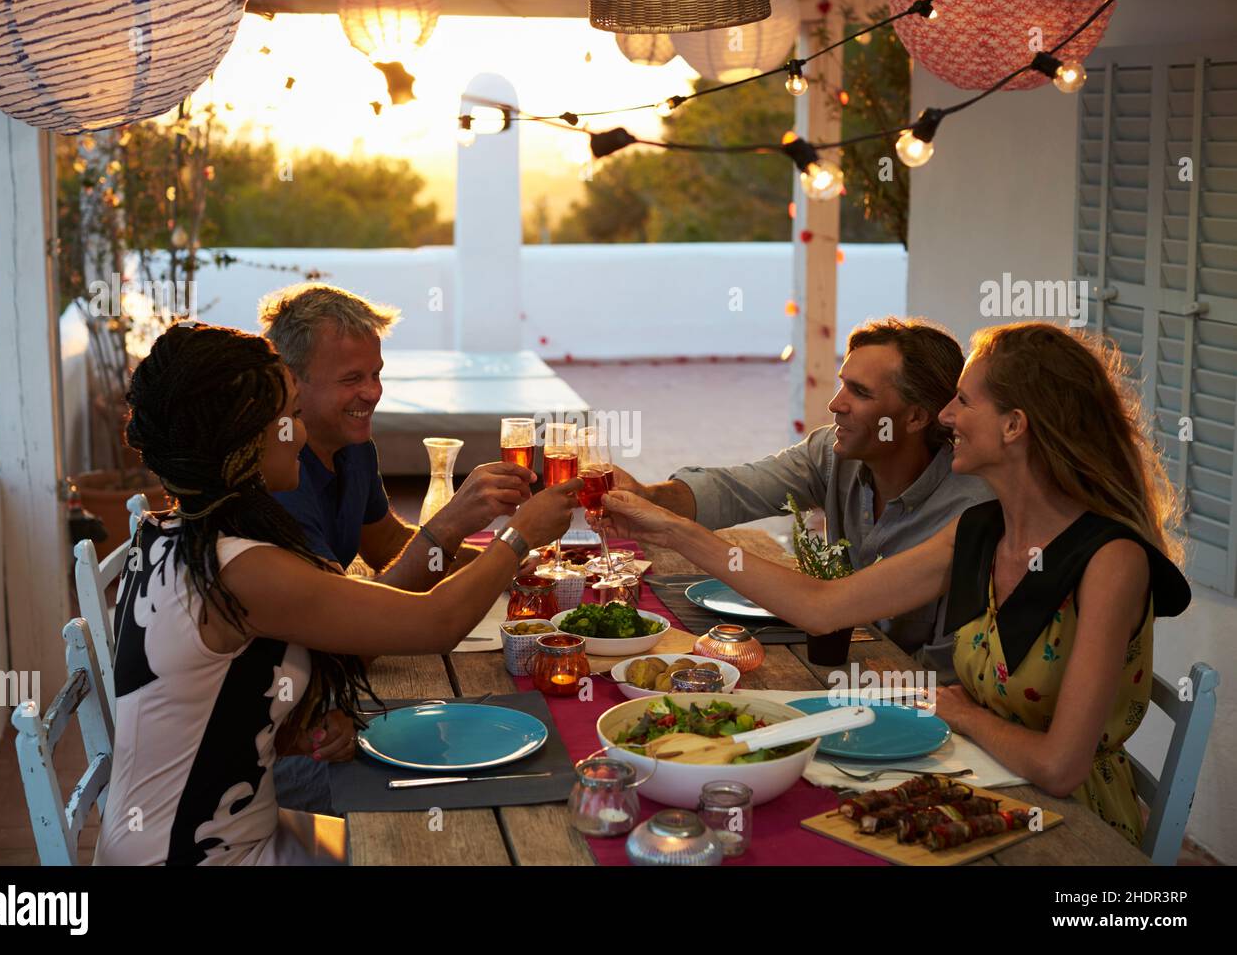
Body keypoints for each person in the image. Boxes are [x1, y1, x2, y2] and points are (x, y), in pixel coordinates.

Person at [598, 322, 1190, 846]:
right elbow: (822, 607)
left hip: (1062, 825)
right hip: (970, 776)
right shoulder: (980, 531)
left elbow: (1061, 768)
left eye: (963, 401)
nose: (947, 417)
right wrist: (673, 530)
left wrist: (960, 711)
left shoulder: (1110, 560)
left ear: (1014, 426)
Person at [94, 324, 578, 865]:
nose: (300, 437)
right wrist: (520, 535)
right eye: (291, 418)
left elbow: (198, 703)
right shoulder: (241, 569)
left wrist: (290, 729)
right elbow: (436, 622)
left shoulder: (171, 535)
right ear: (245, 438)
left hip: (226, 833)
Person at [258, 283, 540, 810]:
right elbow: (353, 640)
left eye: (376, 374)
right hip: (285, 741)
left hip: (329, 691)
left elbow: (388, 540)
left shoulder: (350, 447)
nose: (372, 392)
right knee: (481, 781)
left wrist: (505, 572)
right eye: (352, 379)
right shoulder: (277, 481)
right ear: (291, 382)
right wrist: (476, 530)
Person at [606, 318, 993, 675]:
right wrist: (645, 495)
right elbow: (737, 489)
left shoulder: (970, 509)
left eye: (859, 392)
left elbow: (946, 673)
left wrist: (674, 531)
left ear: (915, 418)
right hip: (845, 666)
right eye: (843, 383)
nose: (835, 404)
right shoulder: (833, 454)